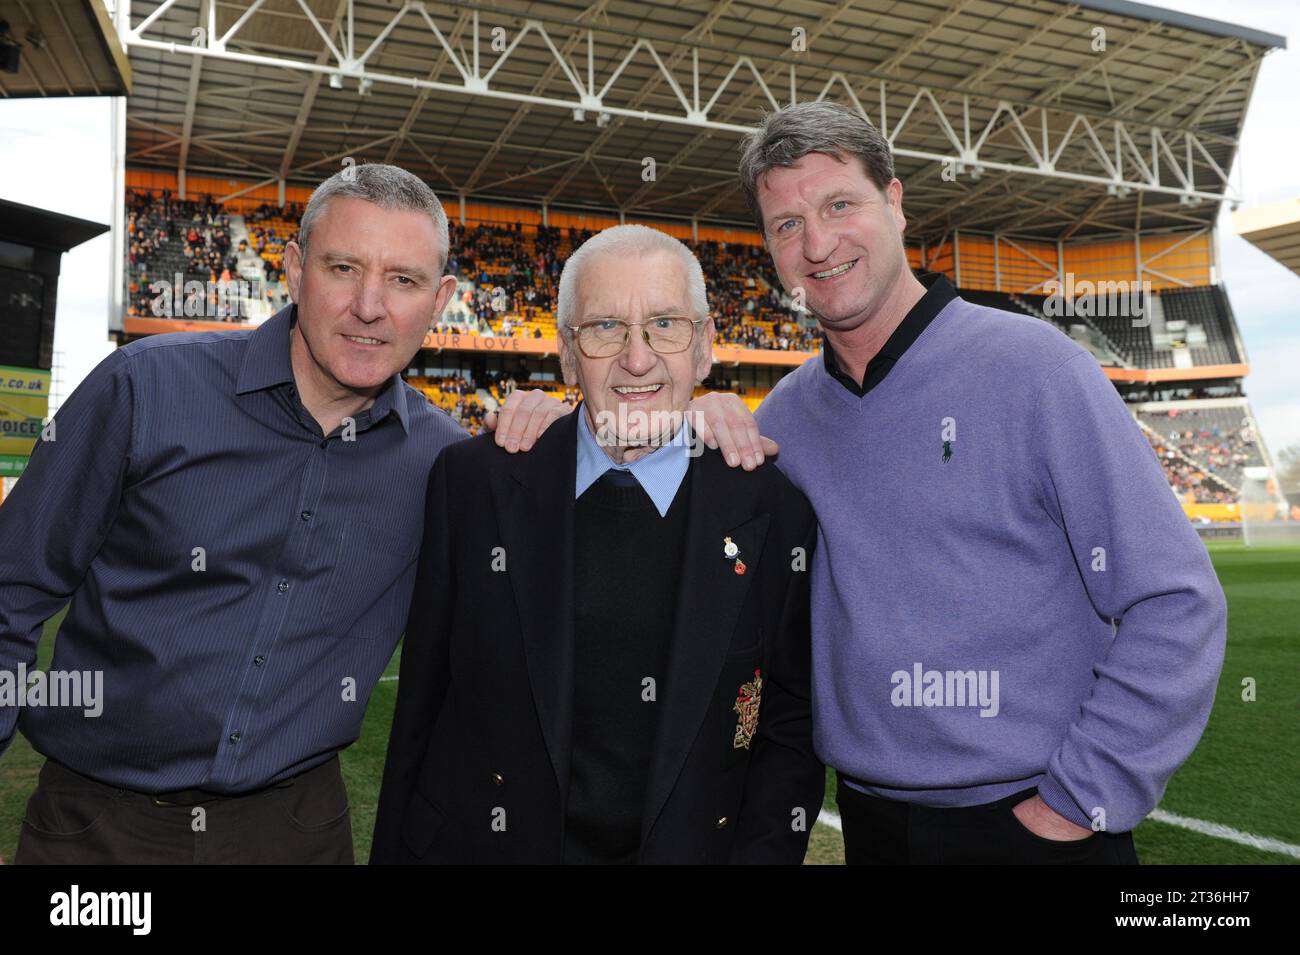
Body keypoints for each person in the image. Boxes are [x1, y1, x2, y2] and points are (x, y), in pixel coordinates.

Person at [740, 101, 1226, 864]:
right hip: (871, 823)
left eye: (840, 205)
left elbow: (1175, 599)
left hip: (1035, 825)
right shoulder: (785, 418)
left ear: (895, 203)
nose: (818, 242)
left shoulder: (1039, 370)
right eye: (786, 224)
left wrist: (1078, 798)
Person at [0, 163, 466, 864]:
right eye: (344, 267)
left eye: (404, 279)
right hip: (99, 832)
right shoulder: (145, 386)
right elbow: (12, 589)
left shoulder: (449, 466)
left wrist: (691, 425)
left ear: (442, 299)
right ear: (295, 268)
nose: (370, 306)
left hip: (297, 834)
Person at [371, 226, 822, 864]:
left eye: (665, 324)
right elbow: (421, 707)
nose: (637, 359)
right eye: (605, 327)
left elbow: (788, 729)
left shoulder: (775, 510)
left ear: (703, 348)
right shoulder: (473, 485)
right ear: (566, 354)